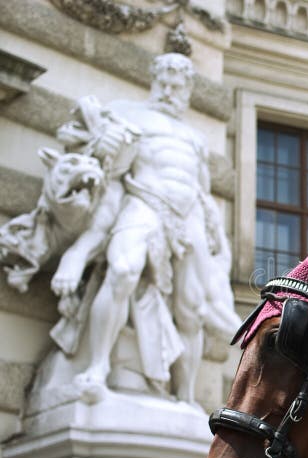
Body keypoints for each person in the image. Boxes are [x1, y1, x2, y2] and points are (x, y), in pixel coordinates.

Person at [52, 53, 239, 403]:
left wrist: (215, 235)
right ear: (153, 82)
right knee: (122, 270)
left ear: (187, 91)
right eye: (163, 84)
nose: (168, 91)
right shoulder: (127, 112)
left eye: (177, 86)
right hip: (144, 201)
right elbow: (96, 156)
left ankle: (185, 395)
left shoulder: (195, 137)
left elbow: (202, 190)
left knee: (192, 310)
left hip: (188, 217)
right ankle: (97, 367)